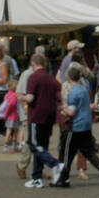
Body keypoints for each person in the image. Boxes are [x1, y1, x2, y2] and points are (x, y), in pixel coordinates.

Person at [54, 66, 99, 187]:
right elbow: (86, 106)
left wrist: (62, 108)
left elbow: (72, 112)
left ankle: (63, 179)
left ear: (68, 77)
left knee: (66, 153)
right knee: (90, 154)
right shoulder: (84, 89)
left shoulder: (73, 92)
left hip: (76, 126)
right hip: (86, 126)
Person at [23, 52, 63, 188]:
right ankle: (36, 177)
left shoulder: (33, 77)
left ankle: (55, 164)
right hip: (50, 115)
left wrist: (20, 97)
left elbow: (30, 98)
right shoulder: (51, 78)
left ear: (32, 63)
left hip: (36, 115)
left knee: (33, 144)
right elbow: (61, 90)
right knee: (42, 146)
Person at [1, 79, 21, 153]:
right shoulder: (14, 95)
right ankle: (11, 145)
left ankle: (9, 145)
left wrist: (5, 115)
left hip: (9, 116)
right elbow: (11, 105)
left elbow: (6, 104)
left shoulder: (7, 94)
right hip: (14, 116)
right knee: (15, 130)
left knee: (9, 130)